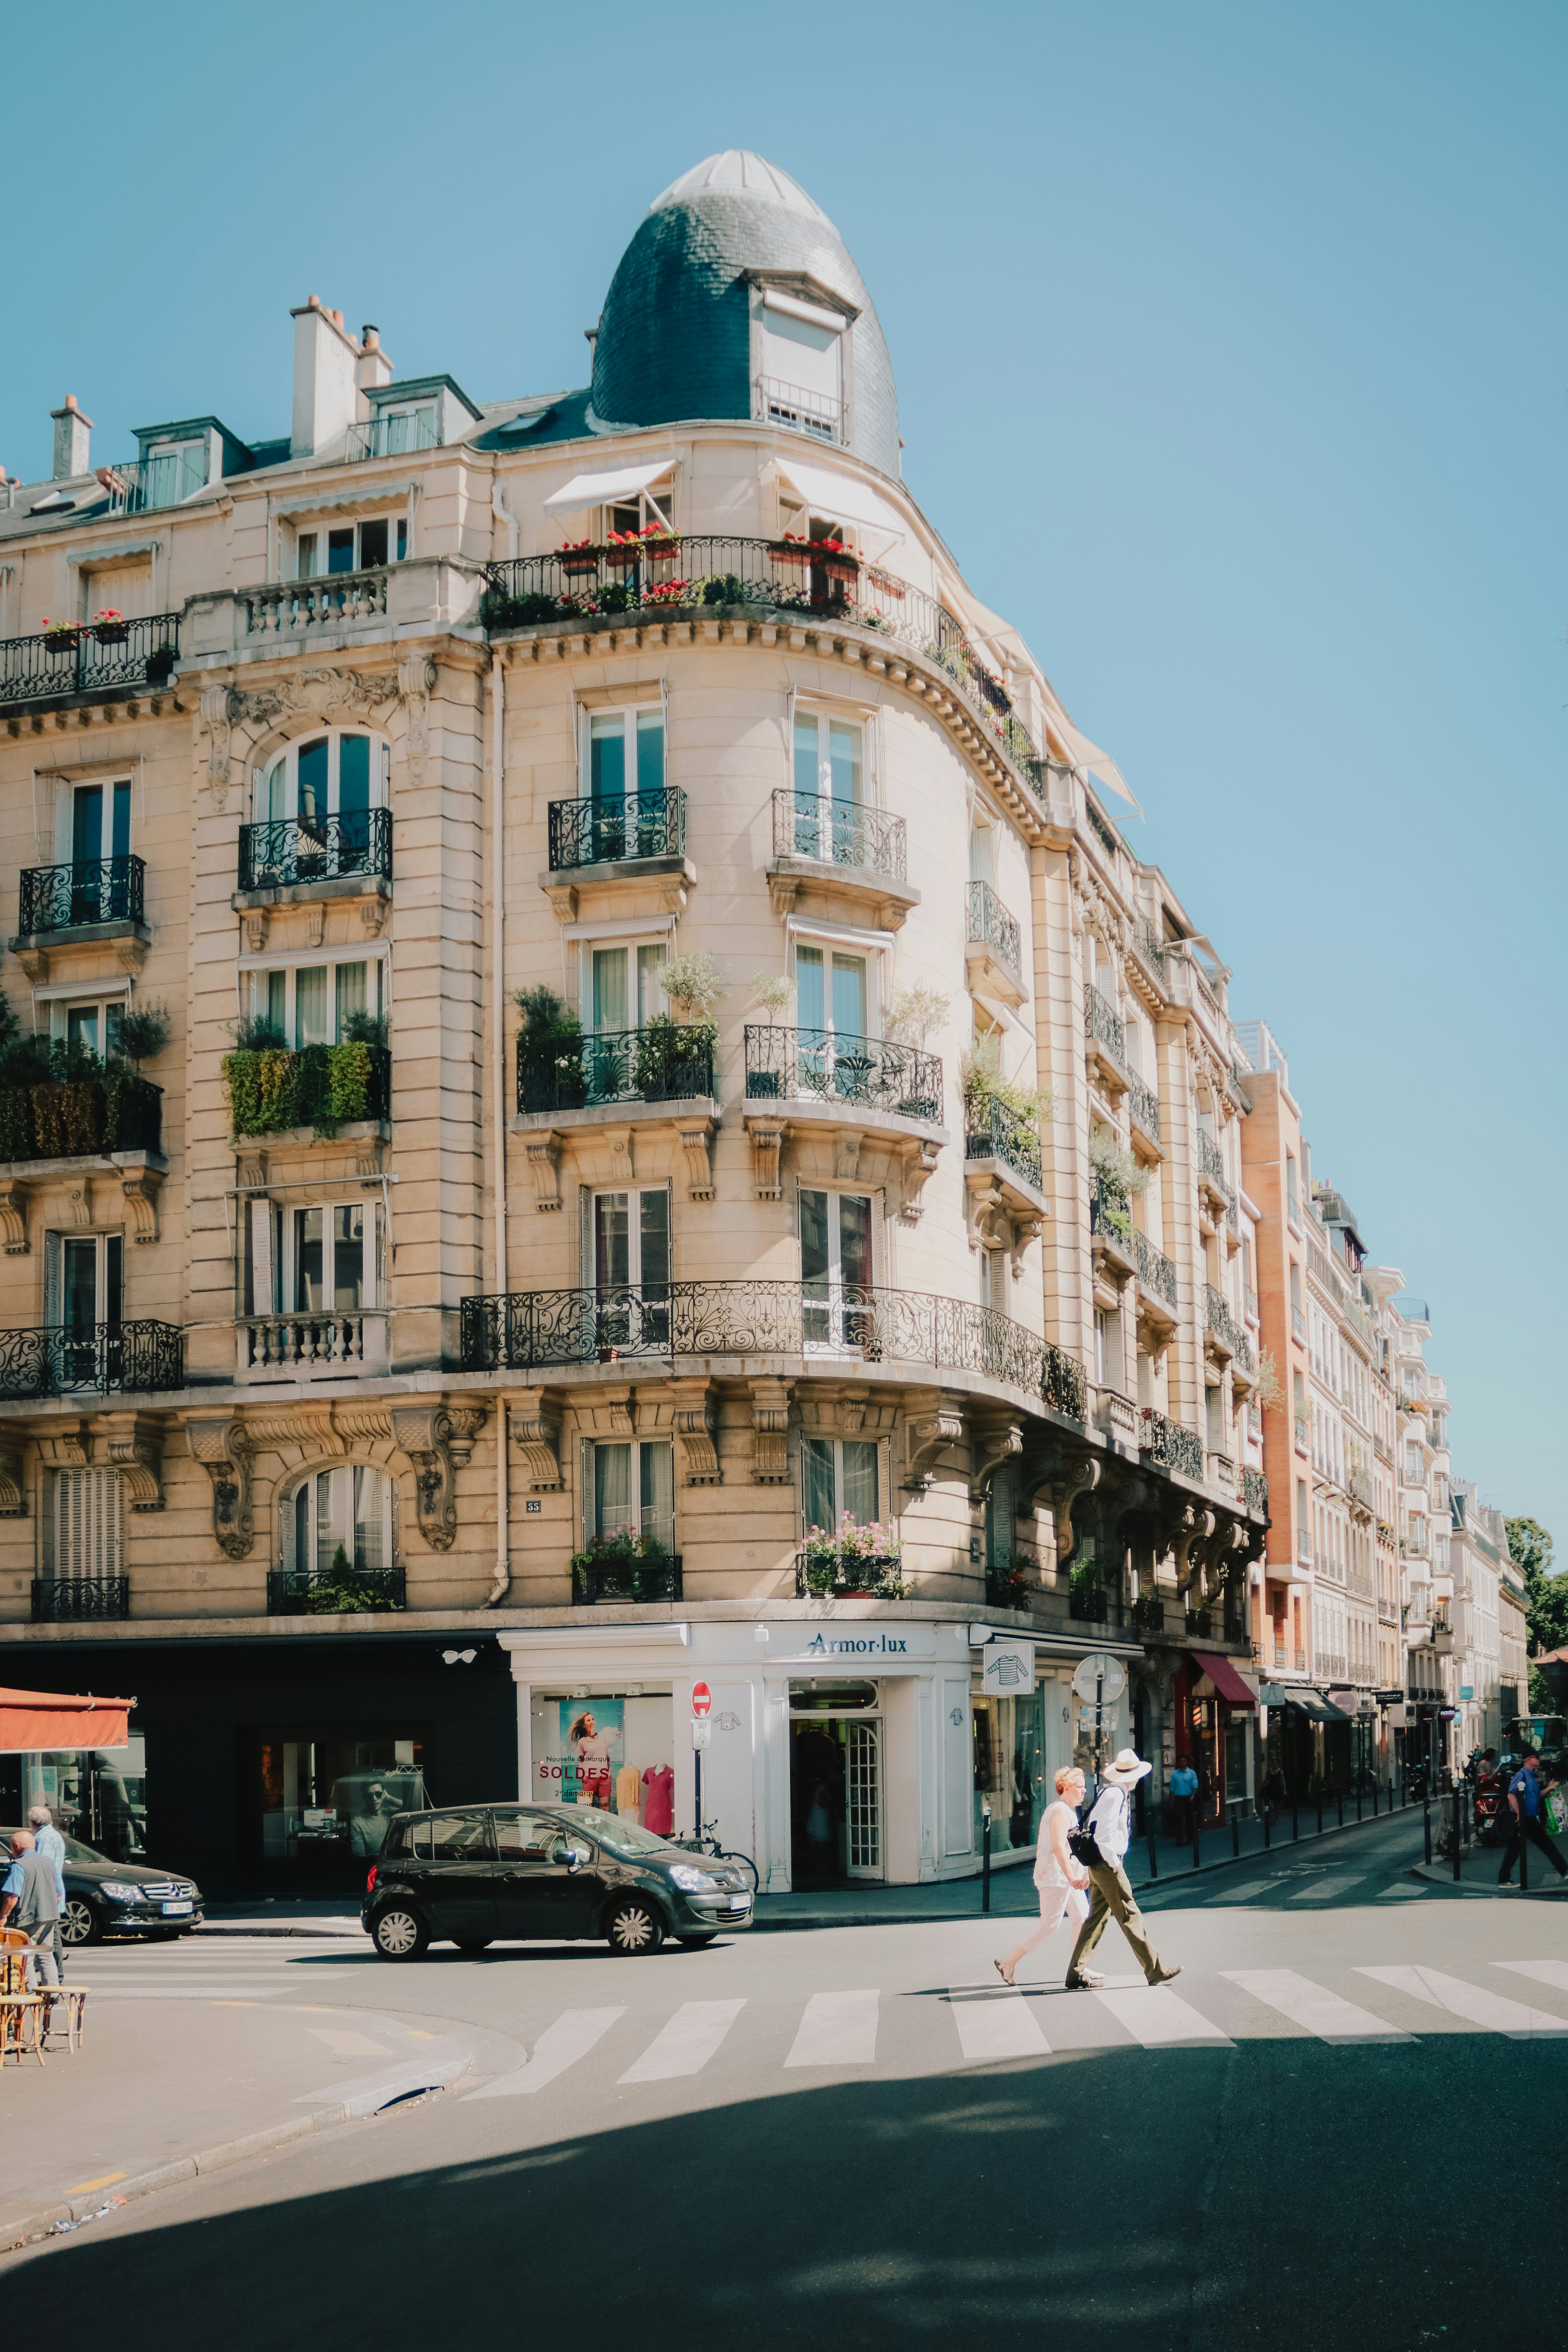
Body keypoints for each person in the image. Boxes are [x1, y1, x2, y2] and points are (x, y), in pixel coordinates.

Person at [1065, 1748, 1182, 1991]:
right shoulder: (1116, 1795)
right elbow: (1103, 1833)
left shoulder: (1113, 1792)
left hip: (1099, 1865)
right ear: (1133, 1776)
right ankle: (1155, 1970)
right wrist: (1115, 1864)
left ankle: (1075, 1973)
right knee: (1131, 1915)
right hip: (1107, 1865)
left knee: (1096, 1918)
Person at [994, 1765, 1091, 1985]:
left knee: (1083, 1917)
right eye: (1080, 1787)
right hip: (1055, 1877)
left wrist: (1083, 1871)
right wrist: (1072, 1877)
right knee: (1050, 1924)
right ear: (1066, 1788)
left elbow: (1074, 1847)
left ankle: (1079, 1968)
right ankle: (1007, 1963)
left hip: (1065, 1877)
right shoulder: (1059, 1811)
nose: (1084, 1791)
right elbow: (1059, 1846)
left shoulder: (1068, 1810)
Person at [0, 1830, 62, 1992]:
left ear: (17, 1846)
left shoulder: (19, 1865)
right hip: (49, 1916)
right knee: (46, 1955)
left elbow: (12, 1896)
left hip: (28, 1918)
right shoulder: (48, 1862)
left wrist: (4, 1916)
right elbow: (58, 1894)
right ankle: (53, 1992)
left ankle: (30, 1991)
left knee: (25, 1955)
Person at [1497, 1750, 1568, 1886]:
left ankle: (1504, 1878)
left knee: (1515, 1849)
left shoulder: (1531, 1776)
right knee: (1546, 1844)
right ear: (1529, 1759)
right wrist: (1519, 1813)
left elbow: (1537, 1797)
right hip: (1524, 1818)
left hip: (1528, 1817)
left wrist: (1549, 1788)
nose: (1540, 1759)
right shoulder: (1522, 1775)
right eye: (1537, 1757)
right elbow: (1511, 1795)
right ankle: (1565, 1871)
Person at [26, 1805, 67, 1984]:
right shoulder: (54, 1835)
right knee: (52, 1936)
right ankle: (55, 1978)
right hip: (54, 1893)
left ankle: (54, 1978)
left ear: (32, 1823)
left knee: (48, 1939)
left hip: (48, 1895)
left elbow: (41, 1868)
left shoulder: (44, 1839)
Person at [1169, 1758, 1199, 1842]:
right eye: (1181, 1761)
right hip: (1179, 1799)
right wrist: (1171, 1801)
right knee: (1179, 1819)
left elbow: (1195, 1786)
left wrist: (1193, 1797)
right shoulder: (1175, 1774)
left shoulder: (1191, 1773)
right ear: (1179, 1763)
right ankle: (1179, 1839)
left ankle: (1190, 1838)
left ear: (1187, 1763)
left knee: (1190, 1819)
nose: (1182, 1763)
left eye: (1184, 1761)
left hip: (1189, 1798)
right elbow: (1172, 1788)